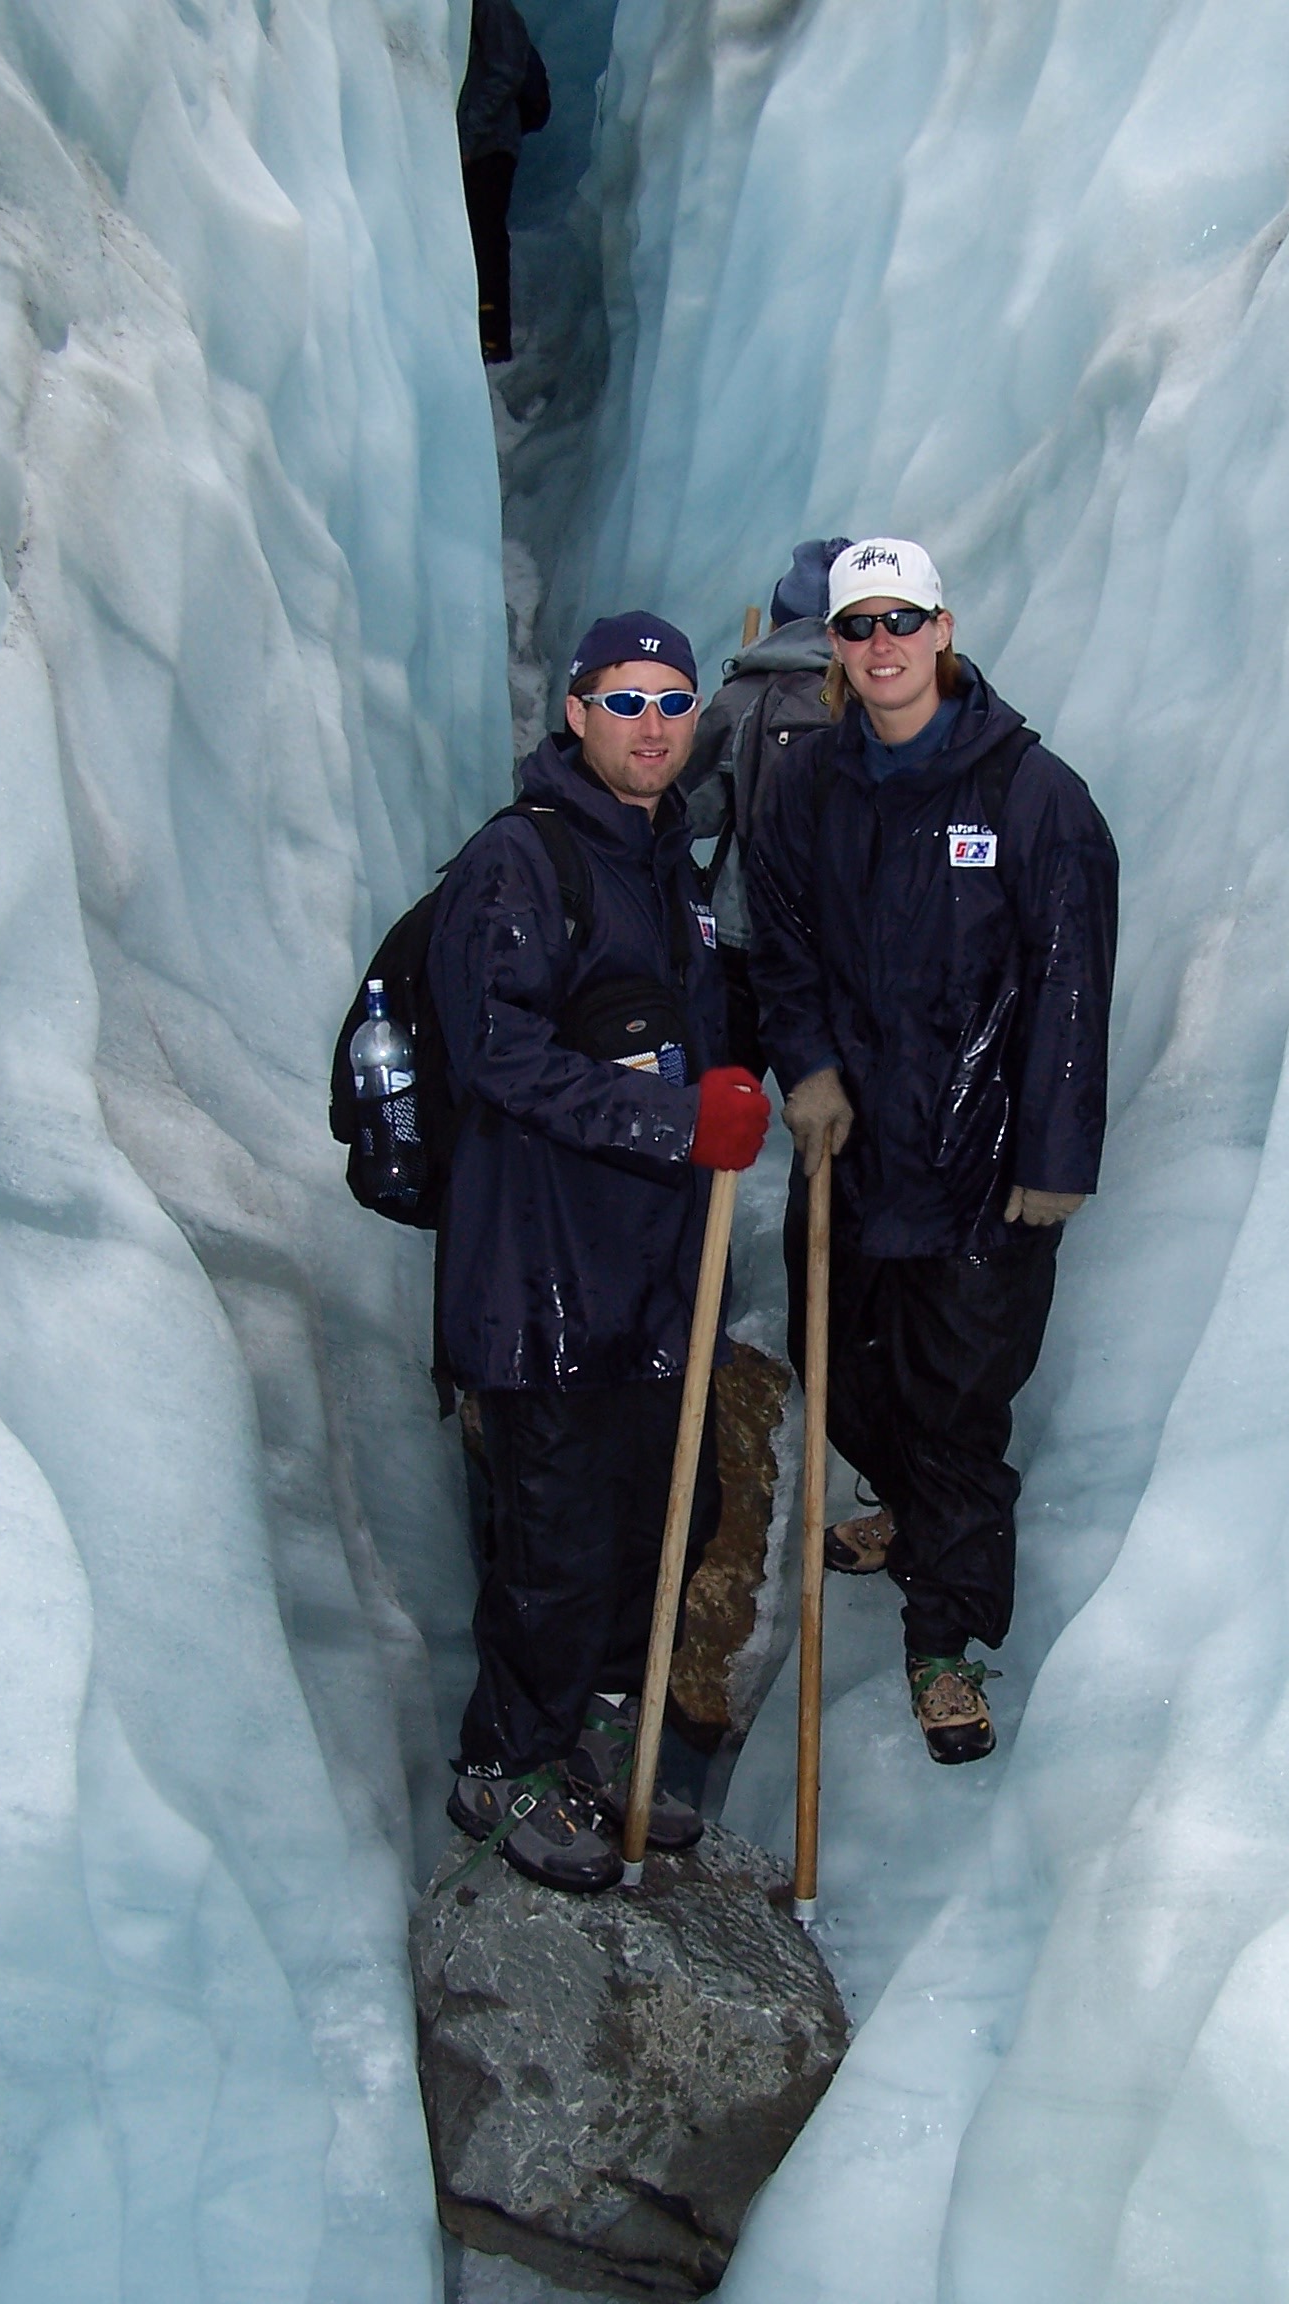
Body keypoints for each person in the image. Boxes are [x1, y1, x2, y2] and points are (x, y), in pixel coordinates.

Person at [747, 539, 1118, 1765]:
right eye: (858, 627)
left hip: (981, 1166)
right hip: (854, 1154)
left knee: (959, 1403)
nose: (882, 645)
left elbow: (1071, 981)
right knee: (839, 1356)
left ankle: (947, 1643)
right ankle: (905, 1511)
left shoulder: (1031, 793)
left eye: (903, 620)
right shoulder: (810, 790)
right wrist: (804, 1067)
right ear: (836, 651)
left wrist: (1054, 1153)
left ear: (944, 629)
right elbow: (785, 947)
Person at [428, 611, 771, 1889]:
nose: (652, 725)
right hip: (542, 1279)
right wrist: (677, 1119)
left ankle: (595, 1732)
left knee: (660, 1528)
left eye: (674, 703)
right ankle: (500, 1767)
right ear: (575, 712)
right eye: (625, 701)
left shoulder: (661, 865)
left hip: (650, 1279)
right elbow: (497, 1055)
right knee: (559, 1541)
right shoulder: (520, 865)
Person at [680, 539, 851, 1075]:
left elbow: (693, 814)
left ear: (778, 620)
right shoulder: (881, 702)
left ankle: (720, 1161)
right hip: (840, 944)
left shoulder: (744, 697)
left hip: (742, 936)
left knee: (726, 1095)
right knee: (828, 1114)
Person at [458, 0, 551, 364]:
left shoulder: (491, 6)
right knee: (478, 235)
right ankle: (482, 334)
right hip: (482, 141)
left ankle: (493, 340)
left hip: (490, 143)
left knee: (485, 236)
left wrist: (469, 134)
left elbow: (506, 68)